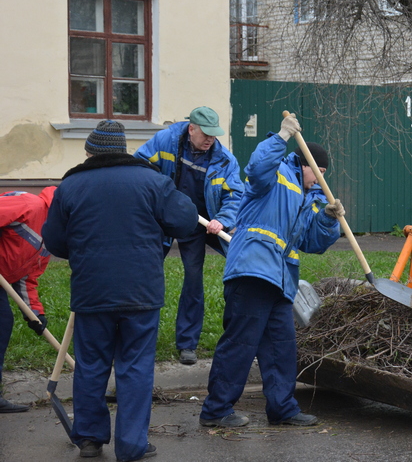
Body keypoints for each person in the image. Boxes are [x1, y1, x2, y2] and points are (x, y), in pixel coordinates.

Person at [42, 120, 198, 461]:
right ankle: (131, 446)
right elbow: (186, 221)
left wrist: (82, 251)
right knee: (136, 366)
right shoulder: (152, 182)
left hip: (91, 291)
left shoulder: (70, 186)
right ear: (123, 149)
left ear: (91, 152)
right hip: (141, 292)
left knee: (91, 364)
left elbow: (53, 240)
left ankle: (89, 439)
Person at [199, 113, 343, 428]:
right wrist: (280, 137)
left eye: (324, 175)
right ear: (303, 164)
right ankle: (216, 410)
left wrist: (329, 220)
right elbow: (256, 167)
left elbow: (311, 241)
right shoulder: (275, 174)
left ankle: (282, 409)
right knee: (240, 343)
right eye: (317, 172)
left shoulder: (308, 198)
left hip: (281, 279)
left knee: (281, 347)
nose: (320, 179)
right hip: (252, 269)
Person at [135, 106, 243, 365]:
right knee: (145, 275)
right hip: (160, 220)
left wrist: (222, 219)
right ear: (191, 128)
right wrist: (159, 193)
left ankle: (187, 343)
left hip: (198, 224)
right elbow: (139, 165)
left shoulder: (225, 160)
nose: (210, 140)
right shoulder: (166, 141)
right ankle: (137, 337)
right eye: (205, 134)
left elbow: (236, 196)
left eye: (214, 135)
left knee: (193, 280)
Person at [0, 186, 56, 413]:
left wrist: (34, 313)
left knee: (3, 323)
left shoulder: (50, 237)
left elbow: (26, 278)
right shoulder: (30, 206)